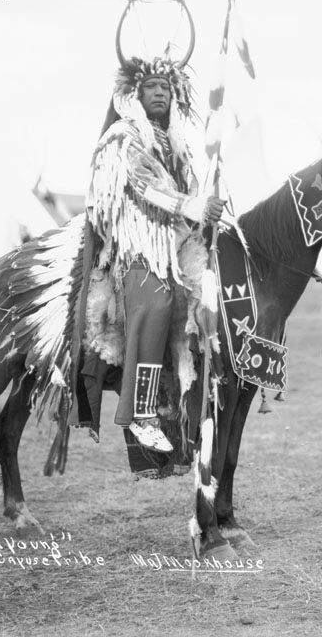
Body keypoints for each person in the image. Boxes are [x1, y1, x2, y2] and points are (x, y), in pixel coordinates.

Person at [86, 55, 228, 453]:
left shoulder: (175, 145)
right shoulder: (122, 138)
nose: (161, 92)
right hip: (138, 246)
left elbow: (187, 188)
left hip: (177, 243)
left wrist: (207, 206)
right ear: (134, 94)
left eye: (166, 88)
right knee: (158, 301)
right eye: (151, 86)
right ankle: (141, 412)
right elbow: (143, 187)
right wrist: (193, 206)